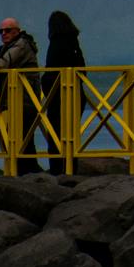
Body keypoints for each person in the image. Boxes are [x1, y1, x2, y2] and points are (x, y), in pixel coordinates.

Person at [0, 16, 39, 164]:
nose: (4, 33)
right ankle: (28, 171)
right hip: (19, 100)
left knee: (20, 139)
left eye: (8, 30)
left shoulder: (21, 45)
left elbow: (3, 63)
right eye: (1, 31)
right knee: (22, 140)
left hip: (25, 100)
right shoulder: (11, 47)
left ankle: (26, 171)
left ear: (17, 31)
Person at [44, 10, 85, 175]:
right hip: (76, 96)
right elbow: (82, 70)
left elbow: (51, 72)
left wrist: (45, 86)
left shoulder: (55, 44)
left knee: (55, 134)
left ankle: (57, 170)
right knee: (72, 135)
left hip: (58, 97)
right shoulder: (74, 42)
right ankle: (71, 169)